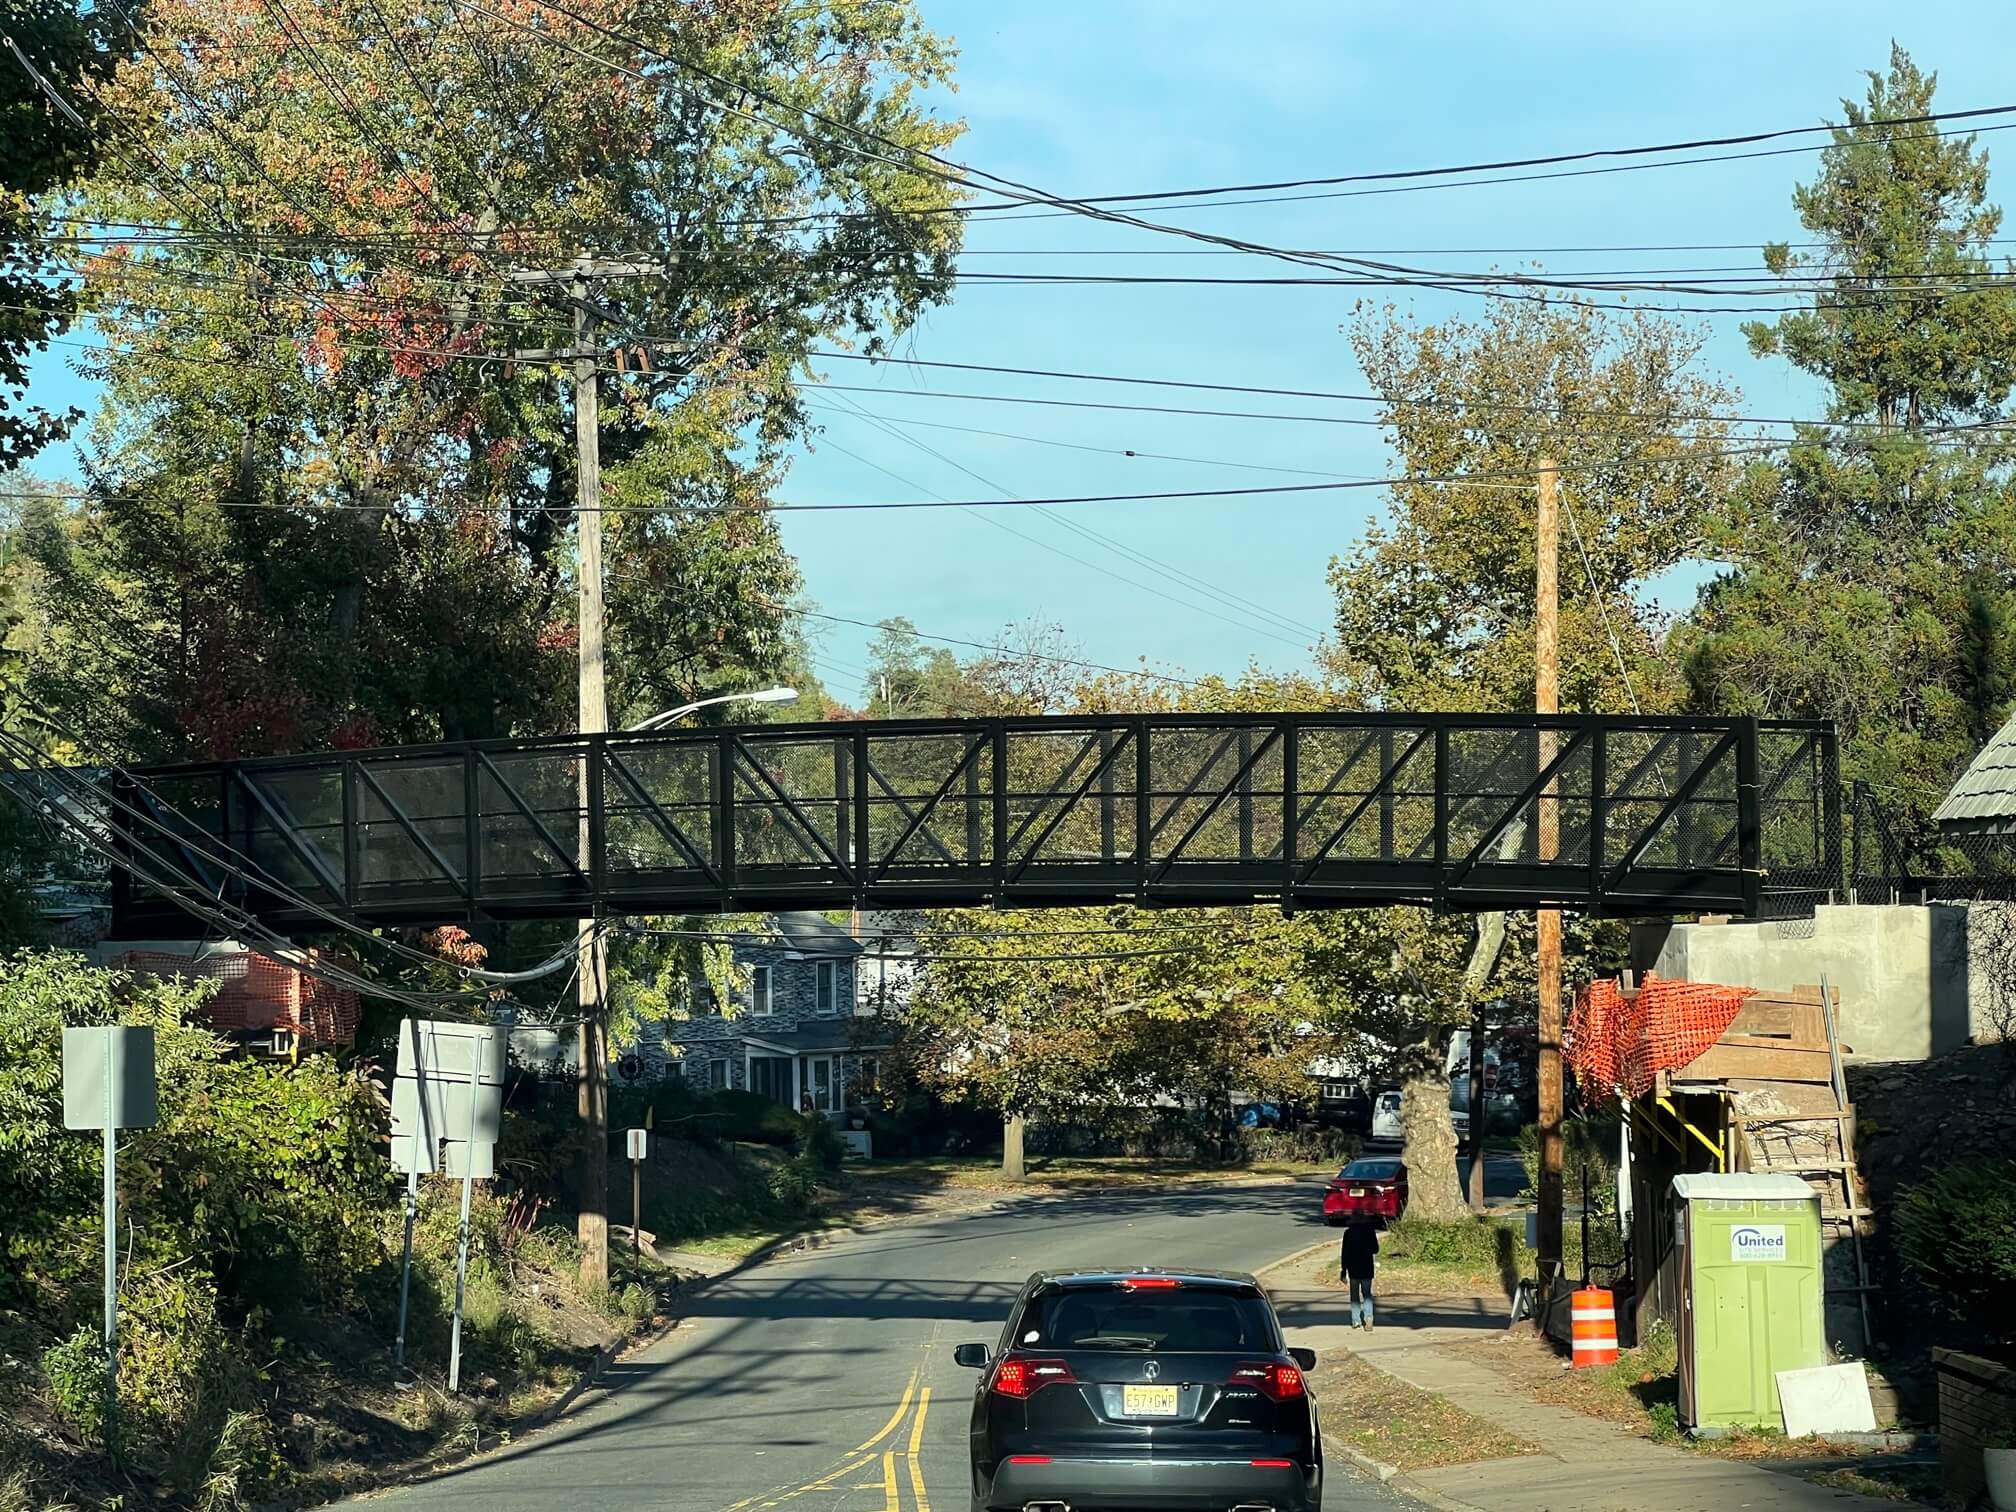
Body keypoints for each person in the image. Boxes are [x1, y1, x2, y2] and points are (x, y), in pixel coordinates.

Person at [1340, 1219, 1379, 1331]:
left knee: (1354, 1296)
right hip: (1367, 1268)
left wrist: (1343, 1270)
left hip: (1353, 1269)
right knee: (1367, 1294)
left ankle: (1356, 1320)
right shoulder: (1370, 1232)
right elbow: (1376, 1249)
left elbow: (1344, 1253)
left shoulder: (1348, 1233)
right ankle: (1369, 1318)